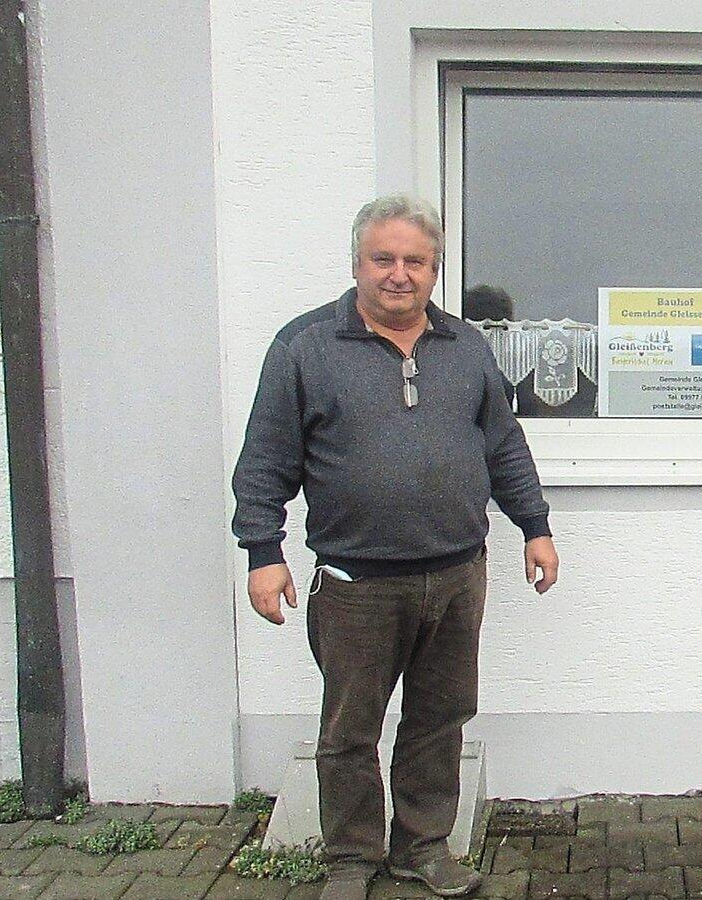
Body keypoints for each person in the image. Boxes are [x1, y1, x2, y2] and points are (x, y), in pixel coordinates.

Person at [232, 194, 559, 900]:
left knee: (439, 720)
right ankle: (351, 861)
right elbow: (265, 459)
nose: (399, 274)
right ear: (357, 264)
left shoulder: (466, 347)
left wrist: (534, 527)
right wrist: (263, 550)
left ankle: (423, 848)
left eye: (415, 260)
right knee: (349, 732)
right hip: (356, 583)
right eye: (384, 259)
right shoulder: (306, 347)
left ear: (435, 269)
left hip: (456, 573)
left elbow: (505, 446)